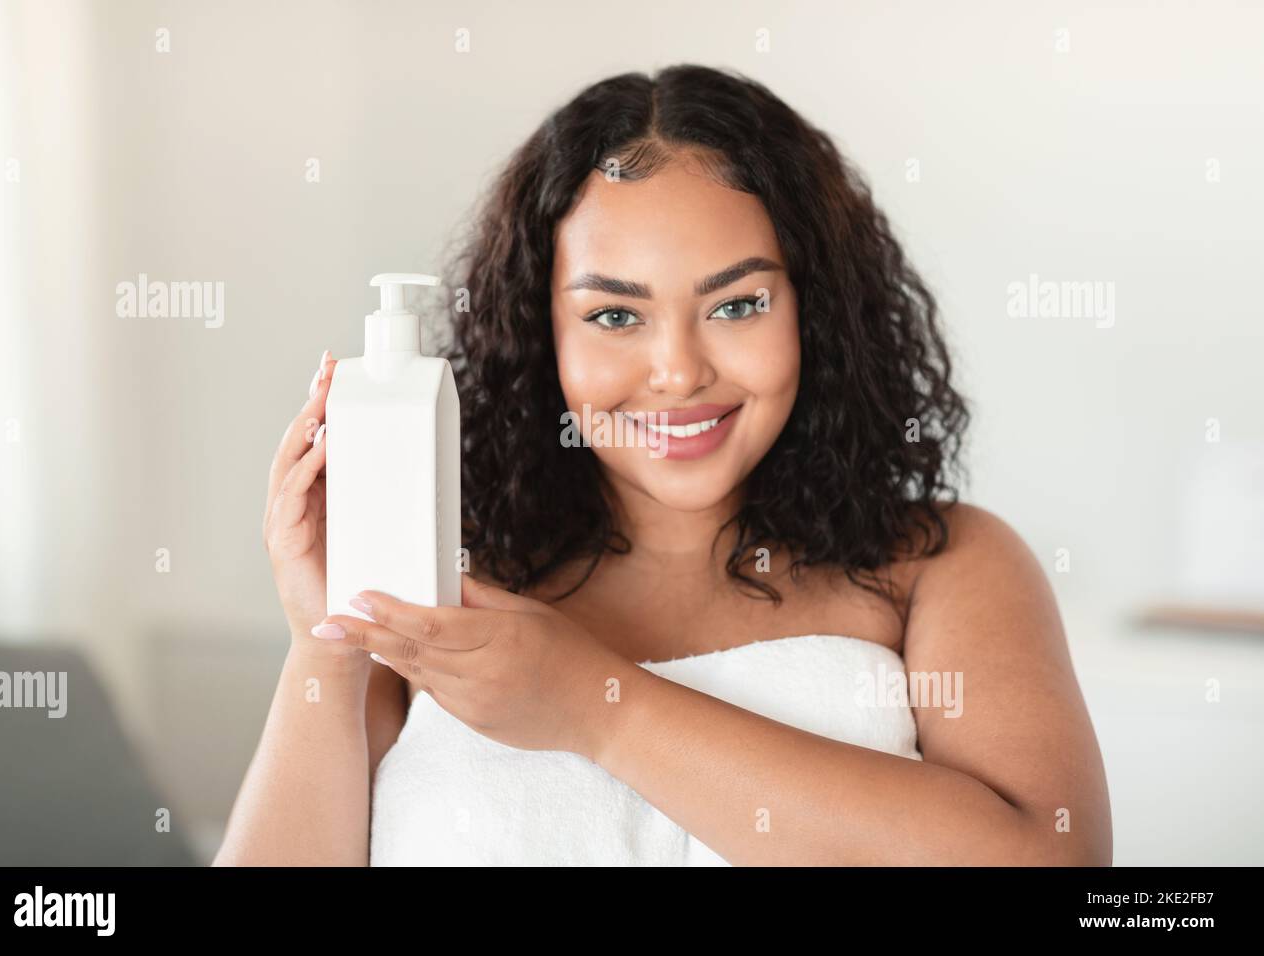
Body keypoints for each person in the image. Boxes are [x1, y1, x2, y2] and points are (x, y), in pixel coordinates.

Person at [215, 64, 1111, 866]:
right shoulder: (431, 585)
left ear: (817, 310)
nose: (679, 371)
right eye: (614, 316)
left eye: (738, 303)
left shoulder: (944, 565)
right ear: (540, 333)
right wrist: (325, 644)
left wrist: (595, 706)